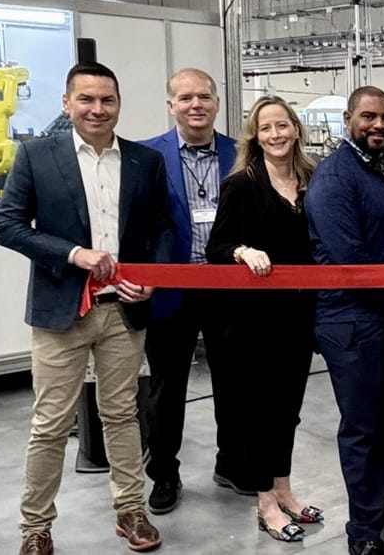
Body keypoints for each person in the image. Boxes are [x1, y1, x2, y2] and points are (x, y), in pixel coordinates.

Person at [0, 62, 173, 555]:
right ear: (67, 104)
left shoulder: (143, 162)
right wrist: (74, 255)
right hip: (61, 311)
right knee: (50, 423)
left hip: (123, 311)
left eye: (107, 100)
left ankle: (130, 511)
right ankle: (35, 527)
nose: (98, 109)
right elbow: (8, 226)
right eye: (87, 100)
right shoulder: (36, 156)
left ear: (118, 104)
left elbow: (161, 228)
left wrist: (150, 279)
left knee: (122, 415)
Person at [306, 86, 384, 555]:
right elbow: (347, 258)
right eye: (369, 117)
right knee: (362, 426)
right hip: (351, 321)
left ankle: (380, 502)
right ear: (347, 119)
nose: (379, 125)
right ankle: (362, 530)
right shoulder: (336, 178)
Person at [204, 96, 321, 542]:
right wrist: (241, 250)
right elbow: (217, 246)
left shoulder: (311, 179)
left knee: (287, 411)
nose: (275, 134)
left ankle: (285, 489)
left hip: (298, 315)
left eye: (282, 125)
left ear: (296, 129)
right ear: (255, 136)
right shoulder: (243, 184)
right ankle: (265, 502)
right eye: (266, 127)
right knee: (258, 413)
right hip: (253, 322)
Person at [139, 68, 241, 513]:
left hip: (228, 288)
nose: (195, 104)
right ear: (171, 105)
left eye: (204, 96)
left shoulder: (241, 153)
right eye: (185, 98)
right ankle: (164, 473)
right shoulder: (146, 157)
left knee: (234, 382)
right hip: (172, 288)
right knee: (166, 388)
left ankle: (232, 463)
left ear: (217, 103)